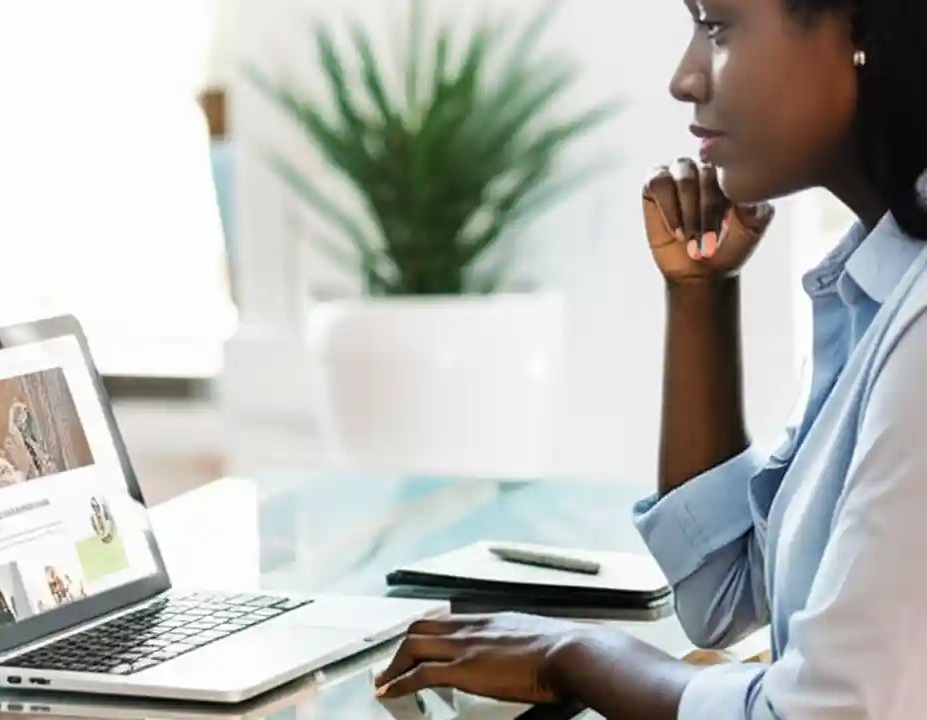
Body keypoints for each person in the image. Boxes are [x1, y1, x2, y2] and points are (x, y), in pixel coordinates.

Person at [374, 0, 927, 716]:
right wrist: (701, 296)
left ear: (860, 29)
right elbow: (724, 594)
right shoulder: (879, 287)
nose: (686, 78)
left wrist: (571, 655)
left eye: (719, 27)